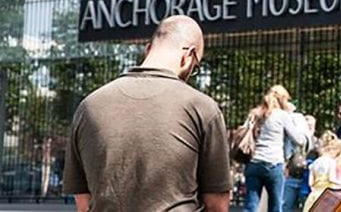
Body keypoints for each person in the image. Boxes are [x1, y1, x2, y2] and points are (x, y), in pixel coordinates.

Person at [62, 15, 231, 211]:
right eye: (195, 68)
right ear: (188, 56)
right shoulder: (202, 108)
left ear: (148, 48)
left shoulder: (88, 107)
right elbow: (217, 204)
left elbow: (83, 204)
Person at [245, 85, 309, 212]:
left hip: (253, 162)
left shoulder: (255, 113)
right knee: (275, 205)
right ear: (283, 99)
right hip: (273, 164)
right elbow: (298, 139)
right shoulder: (281, 115)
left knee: (251, 205)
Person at [302, 131, 341, 212]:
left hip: (314, 196)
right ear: (333, 150)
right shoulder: (331, 162)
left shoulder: (314, 163)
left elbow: (311, 183)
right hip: (327, 196)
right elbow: (331, 179)